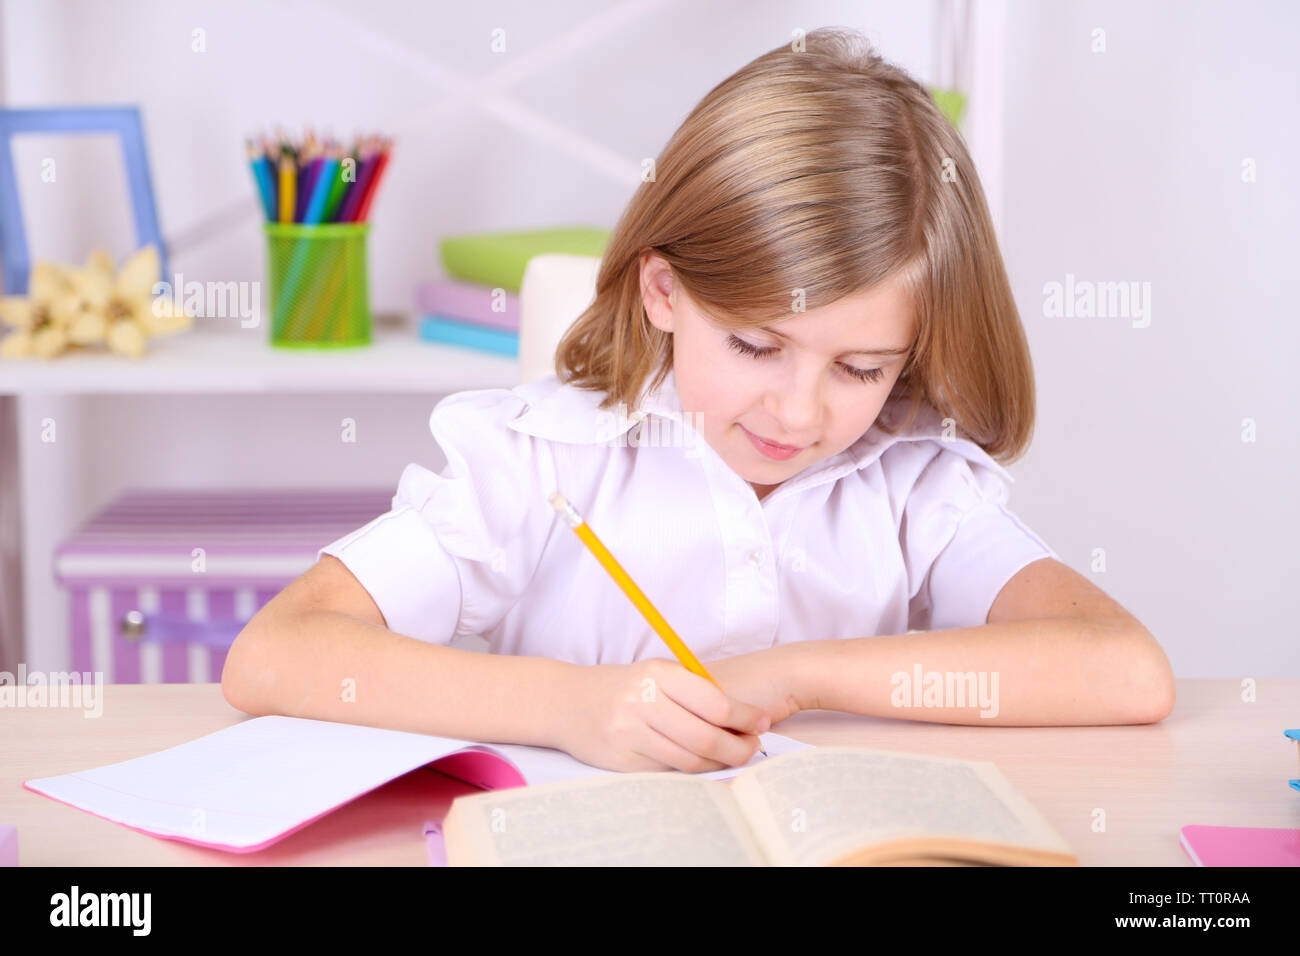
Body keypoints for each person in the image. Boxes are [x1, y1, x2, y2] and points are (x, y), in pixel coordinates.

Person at [223, 27, 1174, 774]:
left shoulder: (910, 478)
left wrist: (789, 677)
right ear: (664, 292)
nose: (800, 415)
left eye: (861, 368)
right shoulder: (540, 458)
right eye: (758, 346)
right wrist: (568, 706)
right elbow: (277, 654)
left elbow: (1123, 669)